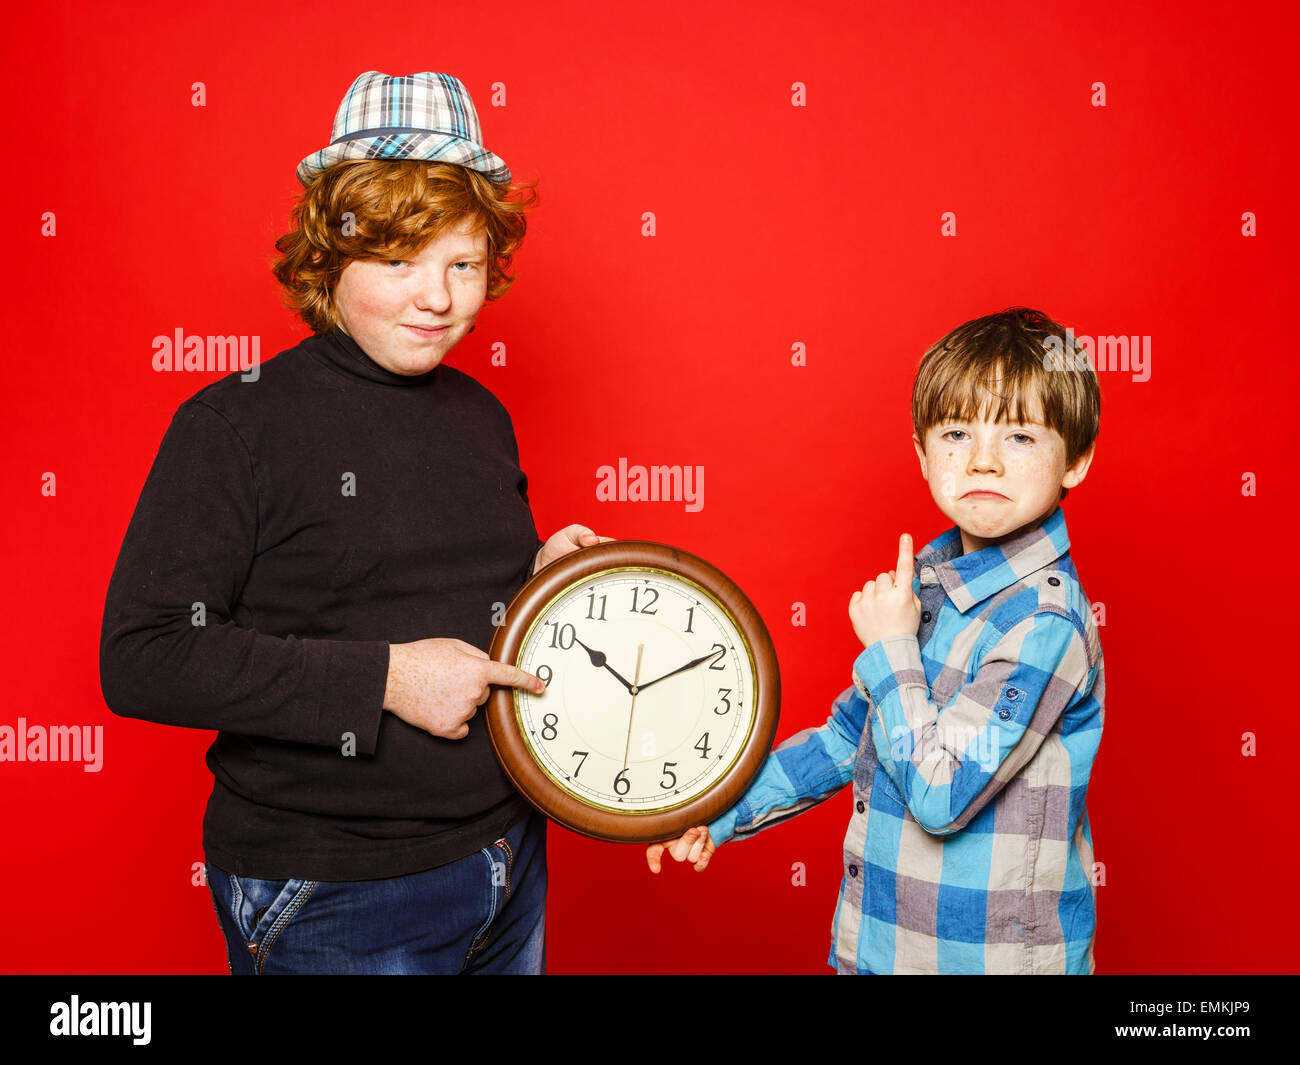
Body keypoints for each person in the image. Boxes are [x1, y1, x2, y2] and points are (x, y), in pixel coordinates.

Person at [99, 70, 607, 974]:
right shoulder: (236, 425)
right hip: (336, 892)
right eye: (398, 261)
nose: (438, 299)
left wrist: (544, 579)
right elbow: (143, 656)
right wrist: (384, 679)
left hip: (508, 854)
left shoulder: (481, 413)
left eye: (463, 262)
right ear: (329, 258)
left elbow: (419, 581)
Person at [648, 307, 1105, 975]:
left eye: (1019, 436)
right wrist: (720, 813)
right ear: (922, 455)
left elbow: (942, 794)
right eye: (956, 432)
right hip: (883, 948)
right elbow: (848, 739)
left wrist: (892, 648)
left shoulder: (1042, 624)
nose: (982, 459)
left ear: (1077, 459)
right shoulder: (925, 589)